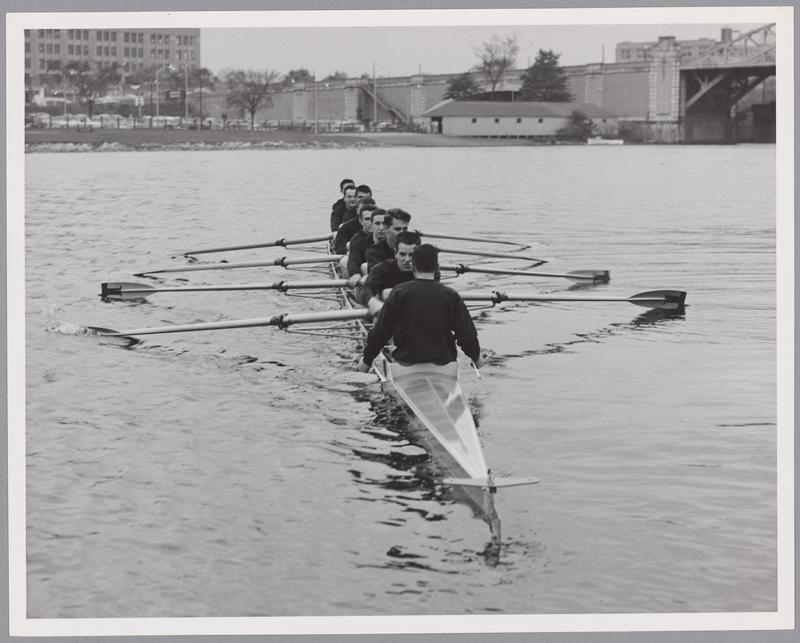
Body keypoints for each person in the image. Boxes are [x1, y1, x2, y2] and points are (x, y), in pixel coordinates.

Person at [357, 243, 481, 371]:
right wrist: (477, 358)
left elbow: (380, 332)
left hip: (406, 364)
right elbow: (467, 335)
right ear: (437, 267)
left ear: (413, 266)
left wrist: (367, 361)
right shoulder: (451, 295)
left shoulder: (398, 293)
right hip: (443, 366)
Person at [355, 230, 419, 307]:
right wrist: (374, 305)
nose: (407, 259)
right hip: (388, 309)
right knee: (387, 293)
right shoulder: (383, 269)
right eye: (403, 254)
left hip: (414, 307)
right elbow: (365, 290)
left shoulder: (426, 270)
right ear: (395, 253)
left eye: (411, 255)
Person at [346, 205, 383, 277]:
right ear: (361, 221)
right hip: (367, 273)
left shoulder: (394, 242)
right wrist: (355, 274)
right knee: (364, 266)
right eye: (367, 219)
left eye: (383, 223)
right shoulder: (358, 241)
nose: (381, 228)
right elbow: (353, 261)